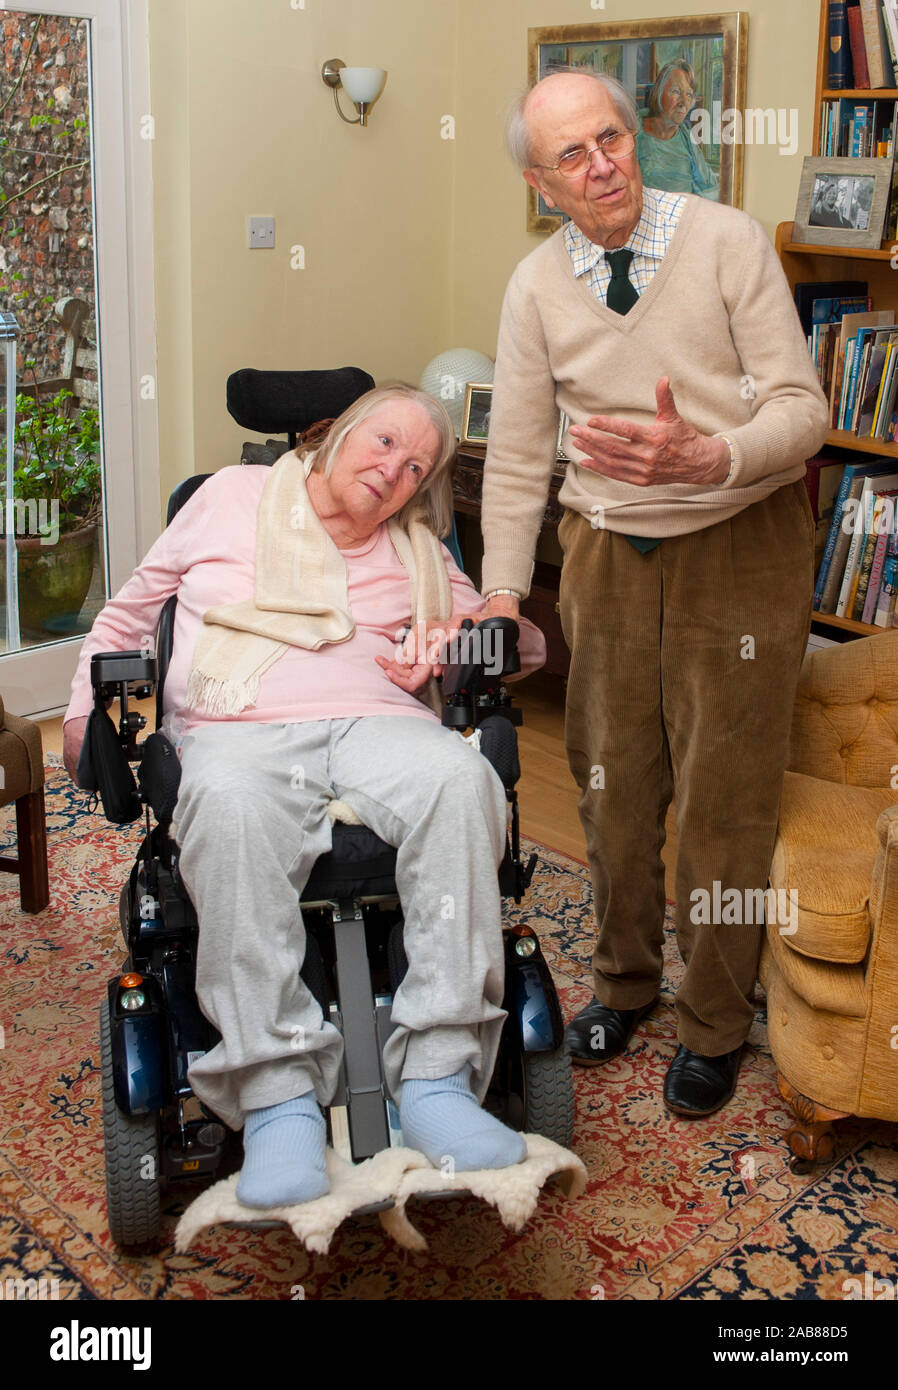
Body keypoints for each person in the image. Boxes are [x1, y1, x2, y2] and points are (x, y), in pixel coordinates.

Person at [62, 384, 546, 1206]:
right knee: (235, 804)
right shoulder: (228, 497)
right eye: (384, 442)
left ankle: (436, 1082)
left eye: (416, 465)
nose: (395, 470)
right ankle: (278, 1096)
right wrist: (82, 717)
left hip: (376, 719)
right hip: (237, 721)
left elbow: (522, 647)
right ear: (338, 435)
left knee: (462, 780)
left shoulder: (418, 547)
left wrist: (472, 631)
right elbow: (129, 613)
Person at [478, 69, 830, 1118]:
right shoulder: (534, 285)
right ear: (543, 184)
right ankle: (624, 983)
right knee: (611, 783)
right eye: (573, 156)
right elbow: (515, 457)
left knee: (727, 796)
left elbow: (803, 410)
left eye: (612, 139)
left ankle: (715, 1019)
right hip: (606, 556)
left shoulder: (727, 242)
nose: (602, 166)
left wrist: (710, 455)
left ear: (636, 138)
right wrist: (502, 590)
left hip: (742, 540)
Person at [635, 59, 718, 200]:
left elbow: (710, 187)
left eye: (689, 95)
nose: (683, 102)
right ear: (658, 93)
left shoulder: (686, 139)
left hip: (685, 216)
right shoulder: (635, 132)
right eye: (676, 92)